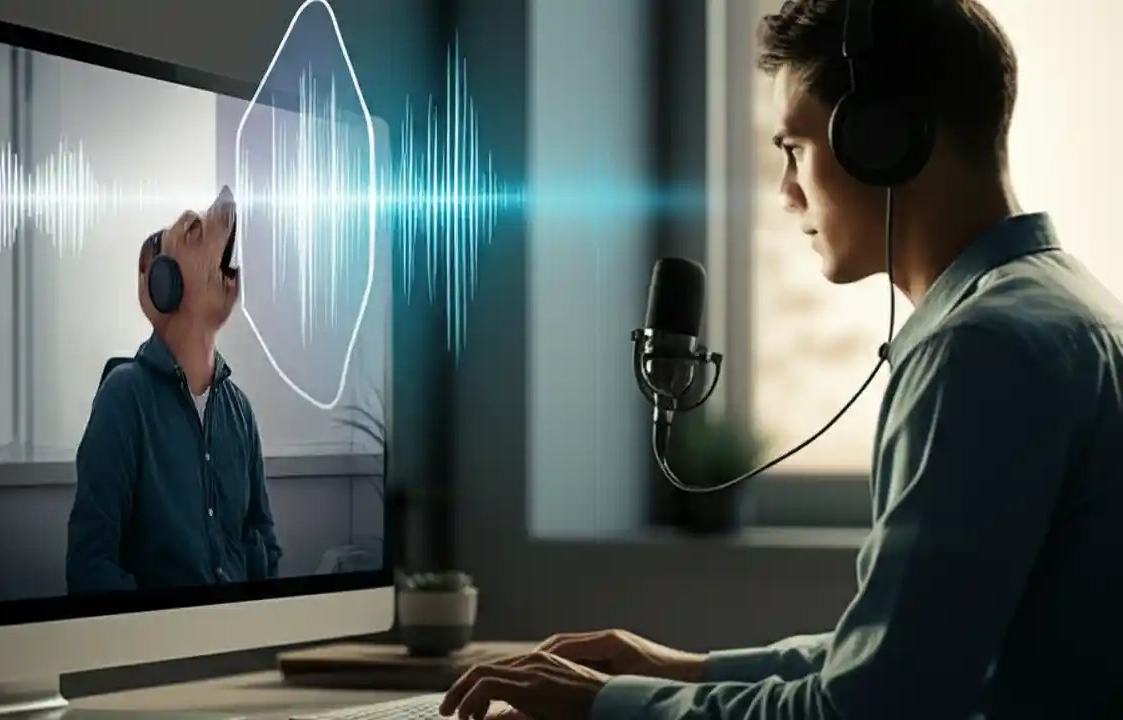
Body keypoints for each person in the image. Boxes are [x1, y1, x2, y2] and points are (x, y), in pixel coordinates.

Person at [440, 1, 1123, 718]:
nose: (786, 190)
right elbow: (917, 649)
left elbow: (870, 708)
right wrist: (688, 669)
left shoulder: (976, 352)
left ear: (882, 139)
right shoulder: (1073, 310)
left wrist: (609, 706)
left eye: (795, 147)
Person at [66, 187, 284, 594]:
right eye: (194, 231)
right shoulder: (124, 399)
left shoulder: (241, 413)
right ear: (165, 285)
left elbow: (264, 546)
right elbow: (89, 568)